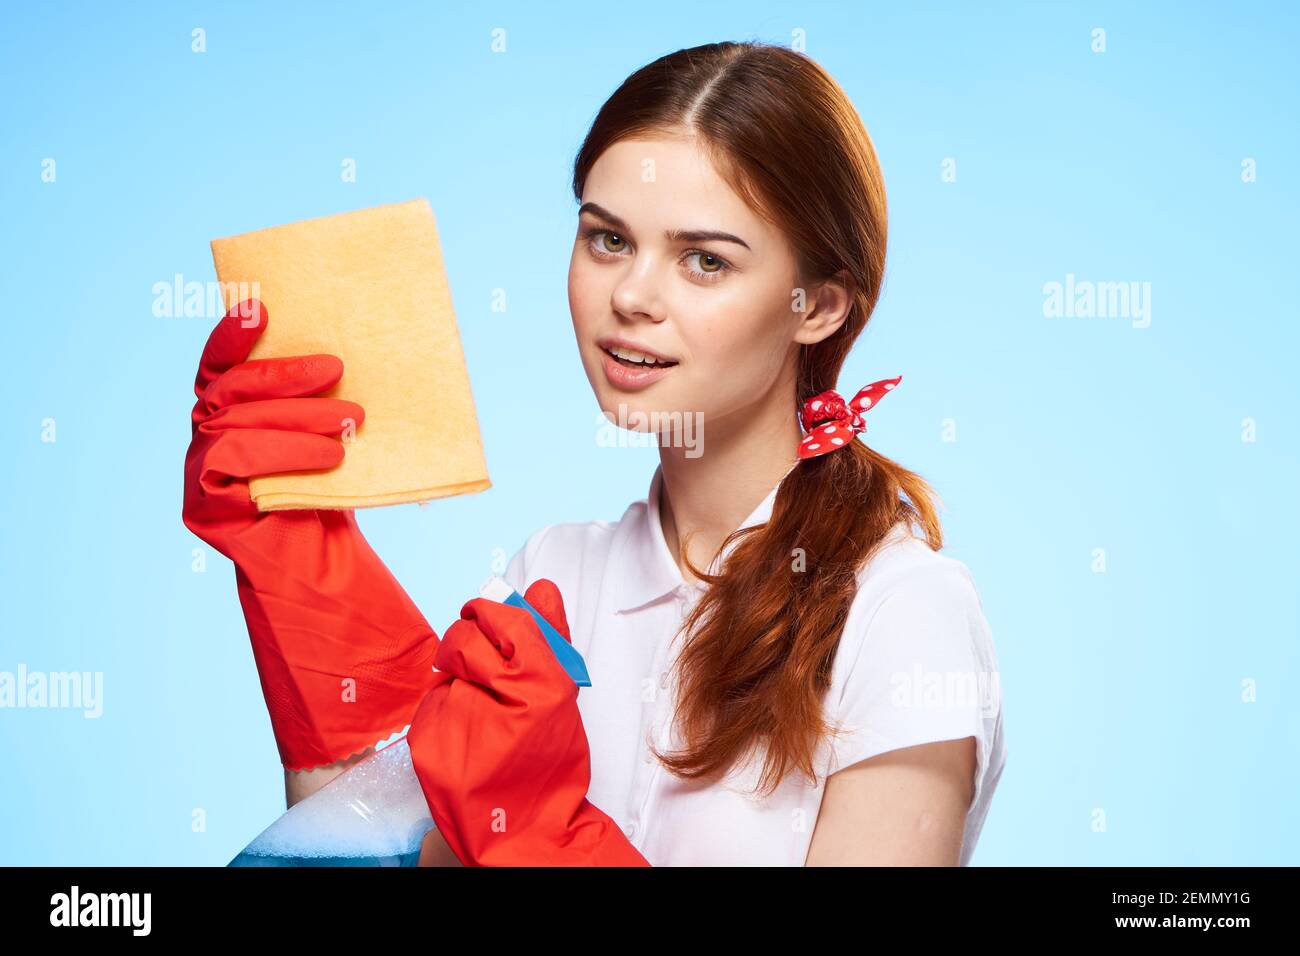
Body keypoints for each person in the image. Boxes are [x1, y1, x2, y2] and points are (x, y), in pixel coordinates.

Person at [184, 39, 1005, 867]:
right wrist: (300, 569)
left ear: (819, 306)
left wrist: (540, 835)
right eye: (608, 240)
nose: (631, 297)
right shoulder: (556, 576)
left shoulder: (901, 613)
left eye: (704, 260)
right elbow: (363, 854)